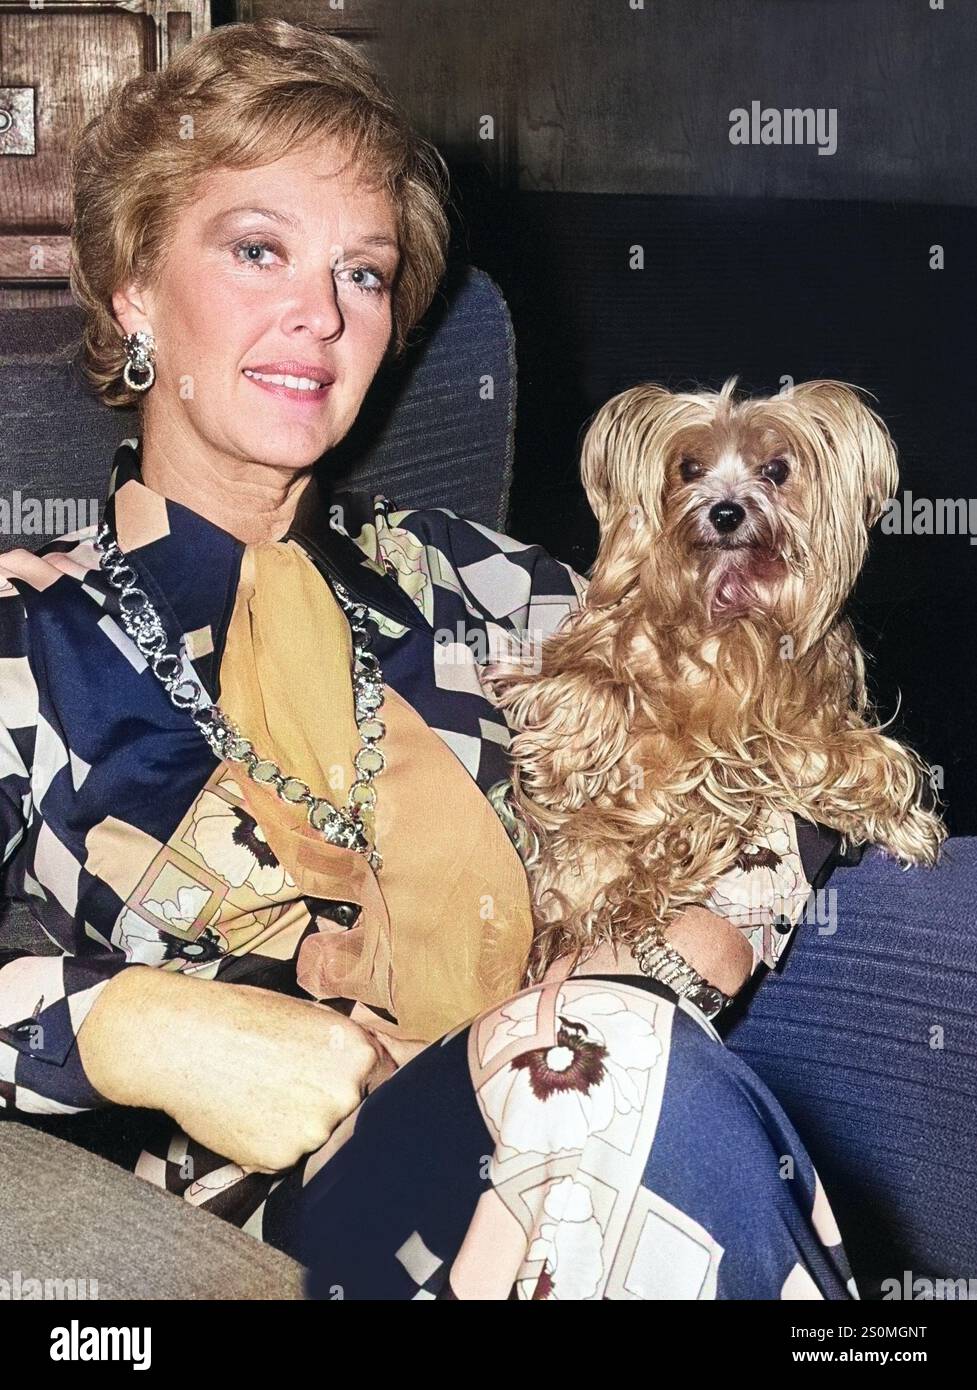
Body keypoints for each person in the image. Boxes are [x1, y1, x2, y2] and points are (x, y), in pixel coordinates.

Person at [0, 18, 857, 1298]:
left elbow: (787, 707)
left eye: (362, 273)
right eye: (257, 250)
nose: (317, 316)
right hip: (268, 1223)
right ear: (133, 289)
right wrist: (125, 1028)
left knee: (602, 1056)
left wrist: (705, 925)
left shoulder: (475, 583)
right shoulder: (29, 643)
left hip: (580, 1118)